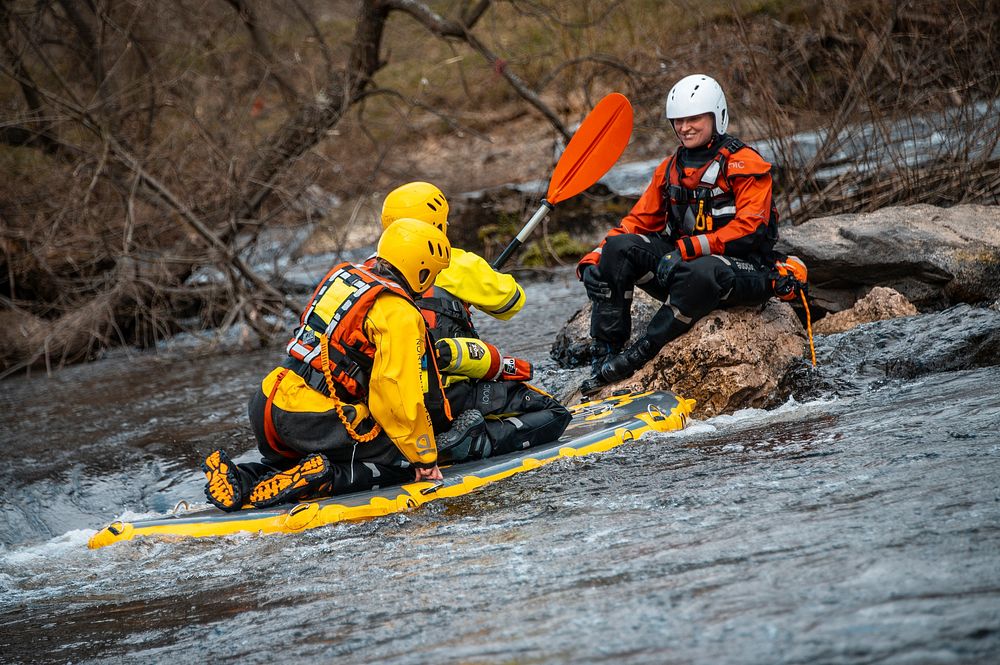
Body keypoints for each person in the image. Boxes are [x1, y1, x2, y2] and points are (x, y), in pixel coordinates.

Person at [202, 218, 454, 512]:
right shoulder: (400, 313)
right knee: (397, 457)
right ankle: (321, 479)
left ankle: (240, 477)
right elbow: (395, 395)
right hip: (312, 417)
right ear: (420, 271)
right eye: (432, 275)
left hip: (268, 400)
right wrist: (424, 458)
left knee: (290, 462)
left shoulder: (346, 277)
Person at [576, 74, 806, 395]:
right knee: (618, 247)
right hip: (683, 272)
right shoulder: (669, 169)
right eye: (679, 120)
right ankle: (606, 352)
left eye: (694, 118)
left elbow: (750, 228)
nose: (685, 127)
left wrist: (689, 248)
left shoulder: (744, 164)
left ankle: (641, 352)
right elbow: (636, 222)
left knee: (703, 270)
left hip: (743, 272)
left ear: (716, 117)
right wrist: (593, 260)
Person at [379, 182, 572, 462]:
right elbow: (512, 301)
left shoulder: (371, 270)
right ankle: (472, 441)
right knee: (553, 414)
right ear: (438, 226)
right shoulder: (455, 263)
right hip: (449, 395)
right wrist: (479, 277)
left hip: (395, 403)